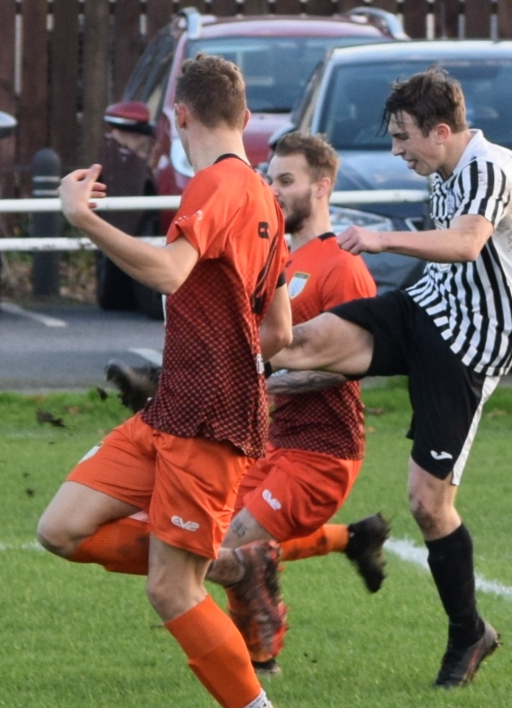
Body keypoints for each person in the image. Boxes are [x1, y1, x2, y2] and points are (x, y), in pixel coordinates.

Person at [36, 54, 310, 708]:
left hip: (209, 417)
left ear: (178, 116)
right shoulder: (261, 197)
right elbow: (278, 331)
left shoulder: (218, 185)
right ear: (247, 119)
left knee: (169, 589)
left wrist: (82, 218)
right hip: (173, 408)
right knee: (61, 530)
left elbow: (168, 270)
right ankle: (228, 561)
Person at [269, 67, 512, 689]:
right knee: (307, 341)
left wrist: (384, 238)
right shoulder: (472, 160)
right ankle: (198, 384)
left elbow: (470, 244)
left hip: (467, 346)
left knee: (427, 503)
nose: (397, 151)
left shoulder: (483, 167)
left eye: (403, 138)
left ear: (441, 132)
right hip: (426, 307)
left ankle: (469, 633)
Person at [108, 132, 390, 677]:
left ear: (322, 186)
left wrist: (251, 385)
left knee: (220, 548)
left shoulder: (344, 268)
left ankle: (260, 658)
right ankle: (354, 540)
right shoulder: (279, 255)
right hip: (268, 441)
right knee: (204, 535)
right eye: (270, 178)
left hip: (322, 453)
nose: (274, 190)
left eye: (287, 180)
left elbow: (352, 364)